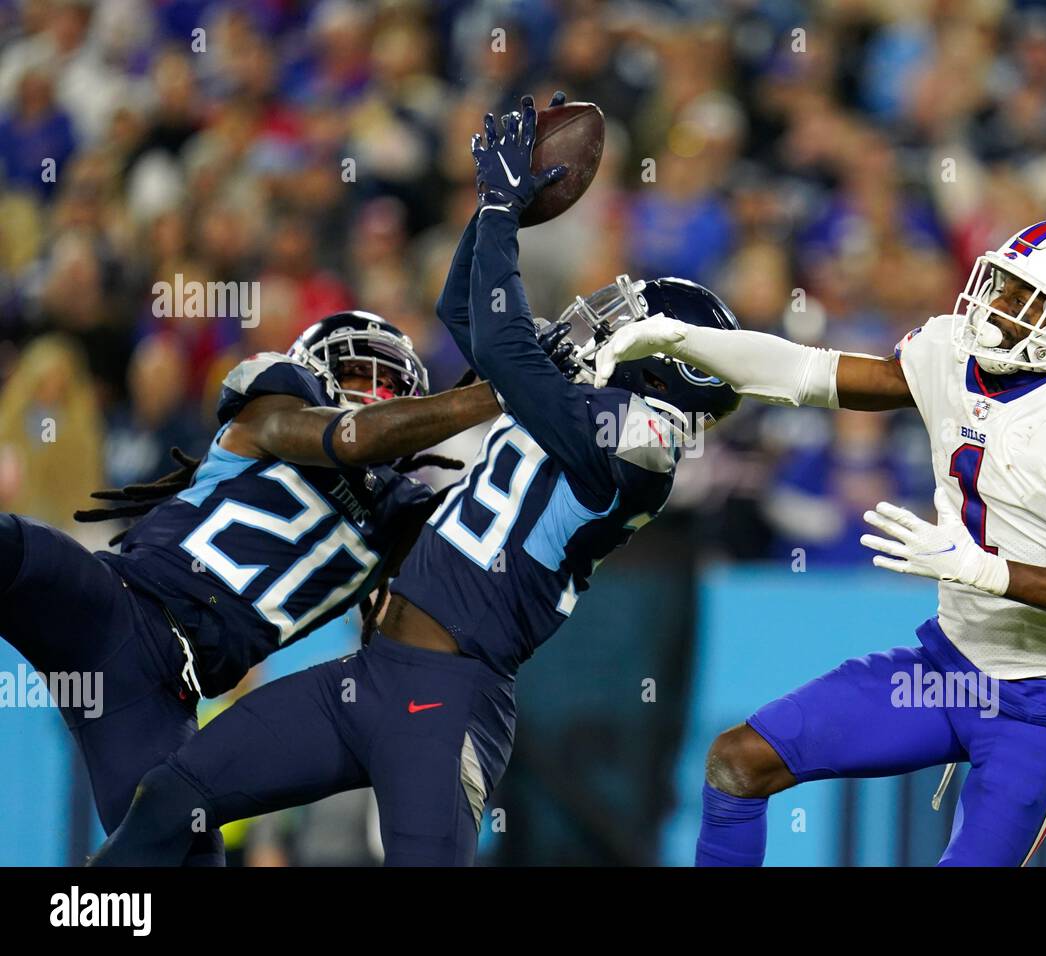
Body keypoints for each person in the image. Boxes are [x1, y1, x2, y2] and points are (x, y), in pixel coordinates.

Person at [89, 93, 743, 866]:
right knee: (175, 796)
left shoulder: (638, 447)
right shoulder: (577, 399)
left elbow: (499, 348)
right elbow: (462, 312)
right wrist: (495, 210)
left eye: (625, 317)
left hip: (451, 702)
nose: (600, 319)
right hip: (373, 673)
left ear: (664, 360)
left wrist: (501, 209)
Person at [596, 218, 1046, 866]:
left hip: (1040, 702)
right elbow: (810, 373)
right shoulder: (954, 357)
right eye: (1002, 284)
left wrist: (980, 570)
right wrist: (686, 341)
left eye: (1022, 298)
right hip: (946, 670)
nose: (996, 304)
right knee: (739, 762)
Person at [1, 310, 500, 864]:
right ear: (318, 370)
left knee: (178, 853)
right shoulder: (276, 400)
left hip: (159, 691)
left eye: (393, 387)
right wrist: (502, 390)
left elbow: (490, 543)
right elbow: (351, 439)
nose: (377, 394)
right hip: (112, 603)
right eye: (361, 375)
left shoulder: (401, 516)